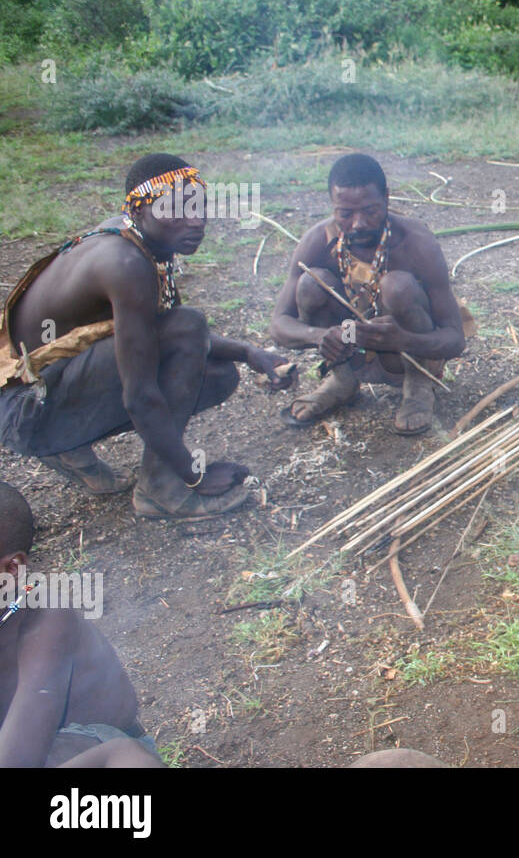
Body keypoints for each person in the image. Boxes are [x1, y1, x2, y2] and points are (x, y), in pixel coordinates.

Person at [0, 154, 294, 519]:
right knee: (190, 329)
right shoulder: (124, 263)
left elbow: (165, 332)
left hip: (39, 394)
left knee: (218, 374)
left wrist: (248, 352)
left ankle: (68, 447)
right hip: (24, 412)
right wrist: (192, 474)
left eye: (199, 207)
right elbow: (141, 392)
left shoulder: (139, 238)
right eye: (175, 210)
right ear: (138, 211)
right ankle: (160, 487)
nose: (195, 221)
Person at [270, 154, 473, 436]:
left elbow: (455, 339)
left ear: (387, 198)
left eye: (370, 210)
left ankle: (417, 387)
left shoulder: (416, 242)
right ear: (332, 205)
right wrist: (320, 336)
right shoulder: (317, 241)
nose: (358, 223)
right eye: (345, 213)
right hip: (352, 348)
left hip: (406, 354)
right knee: (310, 283)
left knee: (397, 286)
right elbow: (279, 325)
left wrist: (405, 340)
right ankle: (343, 380)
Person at [0, 482, 162, 767]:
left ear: (12, 569)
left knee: (129, 760)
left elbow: (17, 759)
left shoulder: (45, 616)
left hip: (86, 743)